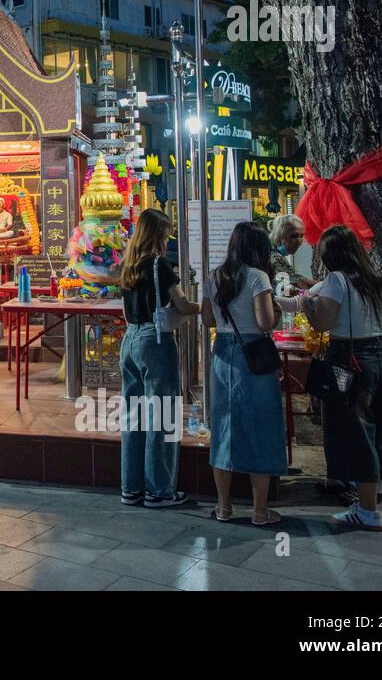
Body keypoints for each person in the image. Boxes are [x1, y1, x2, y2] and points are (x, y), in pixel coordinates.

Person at [280, 224, 382, 530]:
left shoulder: (337, 280)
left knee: (356, 429)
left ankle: (367, 510)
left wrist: (309, 307)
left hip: (349, 361)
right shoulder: (373, 279)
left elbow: (322, 323)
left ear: (332, 253)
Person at [202, 221, 288, 525]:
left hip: (223, 356)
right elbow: (265, 322)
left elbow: (208, 320)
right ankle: (260, 511)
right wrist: (277, 311)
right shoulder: (257, 277)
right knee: (260, 429)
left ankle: (224, 507)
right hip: (254, 357)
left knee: (224, 428)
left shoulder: (214, 276)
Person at [117, 208, 201, 508]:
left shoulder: (128, 265)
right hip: (155, 341)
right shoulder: (159, 265)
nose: (168, 239)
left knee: (134, 415)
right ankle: (159, 490)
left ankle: (131, 487)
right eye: (166, 234)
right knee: (162, 415)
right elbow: (182, 303)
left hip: (129, 340)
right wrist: (204, 306)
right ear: (157, 235)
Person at [268, 214, 316, 292]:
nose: (299, 241)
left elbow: (296, 278)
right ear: (280, 236)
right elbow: (285, 290)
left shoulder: (277, 254)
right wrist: (306, 294)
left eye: (301, 236)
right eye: (294, 236)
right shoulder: (274, 257)